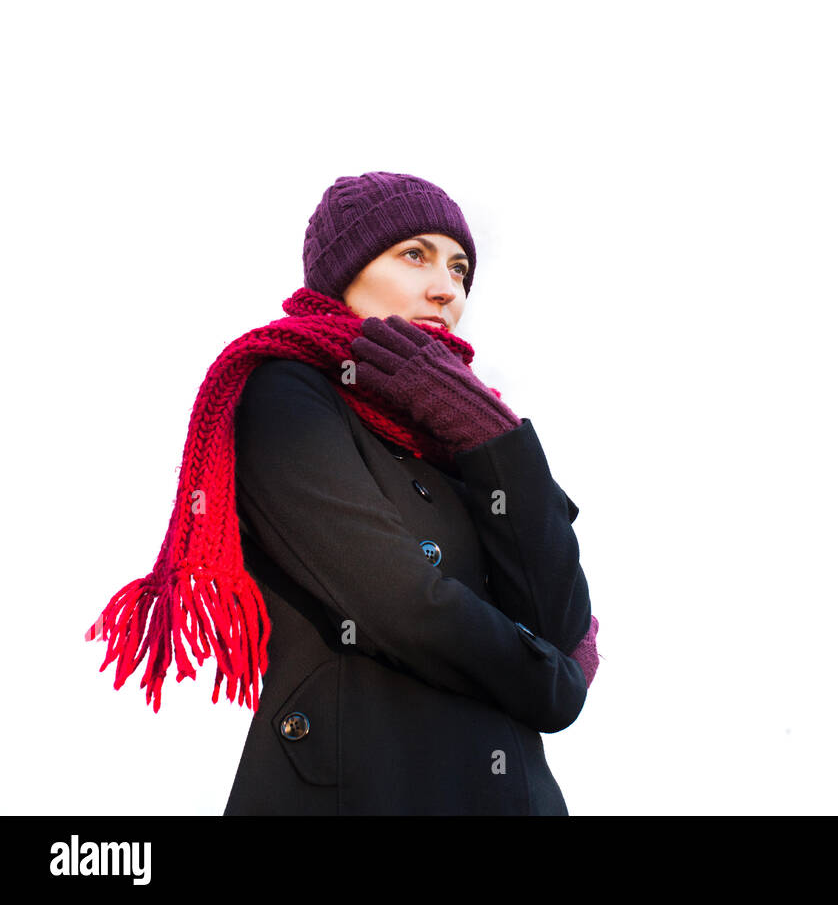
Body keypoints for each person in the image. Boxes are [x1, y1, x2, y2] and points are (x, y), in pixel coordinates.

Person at [87, 171, 599, 815]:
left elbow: (557, 619)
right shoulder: (285, 391)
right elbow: (398, 602)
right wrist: (555, 683)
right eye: (415, 255)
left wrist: (493, 438)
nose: (447, 288)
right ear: (345, 273)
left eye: (461, 269)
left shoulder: (462, 435)